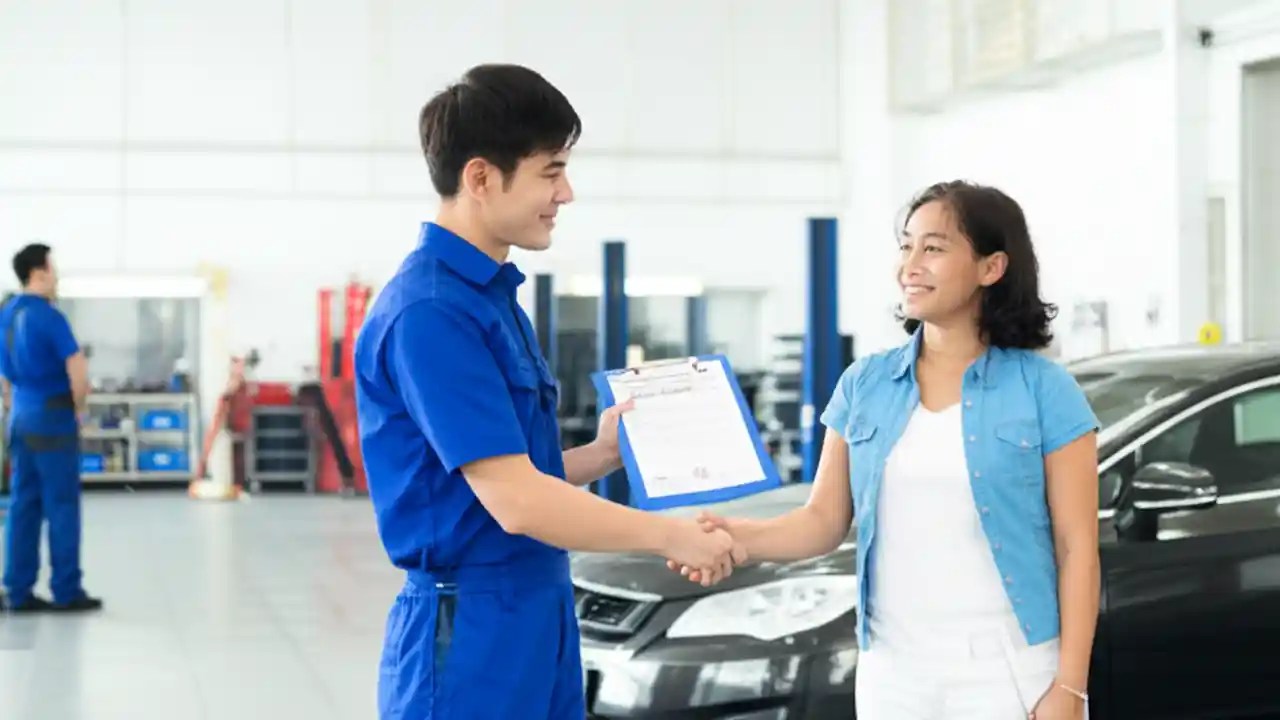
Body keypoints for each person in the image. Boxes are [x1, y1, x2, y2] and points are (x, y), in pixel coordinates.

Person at [353, 64, 743, 720]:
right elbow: (515, 502)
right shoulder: (432, 313)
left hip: (535, 610)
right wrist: (669, 537)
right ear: (480, 177)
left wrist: (600, 454)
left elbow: (505, 475)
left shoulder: (492, 299)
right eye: (551, 171)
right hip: (469, 629)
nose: (566, 193)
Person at [673, 181, 1100, 720]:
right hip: (894, 675)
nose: (910, 265)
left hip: (1010, 670)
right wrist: (735, 537)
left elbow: (1077, 548)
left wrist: (1070, 688)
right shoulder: (864, 384)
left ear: (991, 268)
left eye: (934, 248)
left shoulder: (1045, 390)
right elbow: (822, 521)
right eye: (906, 246)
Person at [1, 243, 102, 613]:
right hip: (52, 416)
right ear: (39, 273)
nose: (56, 276)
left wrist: (14, 407)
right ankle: (66, 590)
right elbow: (77, 369)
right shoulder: (49, 316)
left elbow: (5, 376)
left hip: (20, 418)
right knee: (61, 504)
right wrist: (77, 410)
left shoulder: (6, 314)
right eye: (53, 269)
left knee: (22, 504)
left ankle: (18, 590)